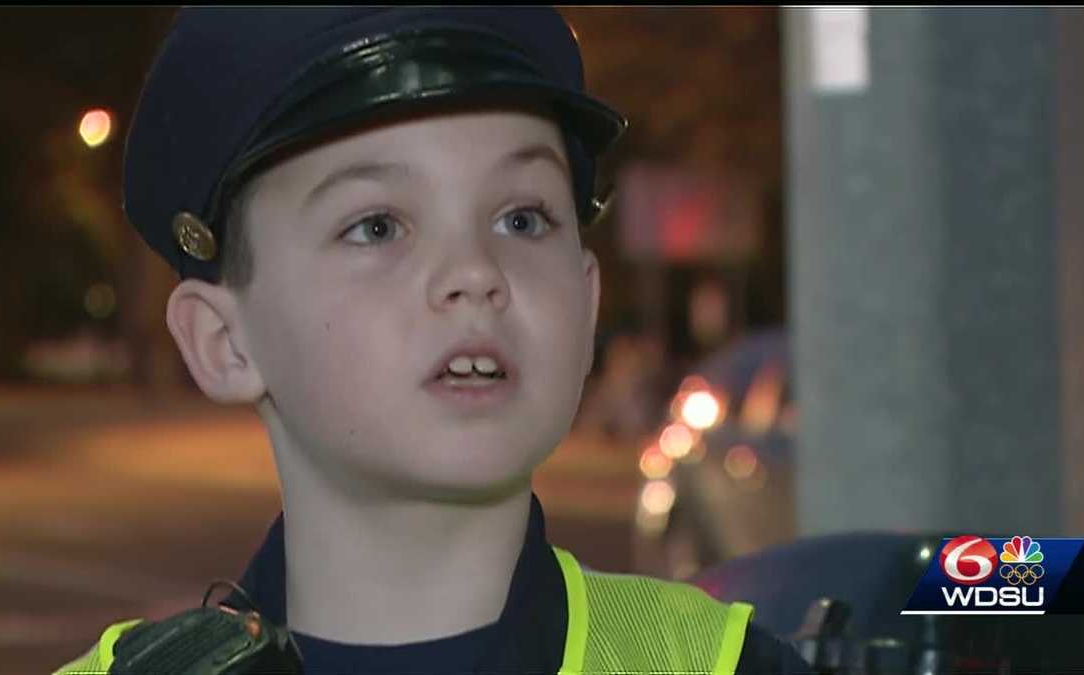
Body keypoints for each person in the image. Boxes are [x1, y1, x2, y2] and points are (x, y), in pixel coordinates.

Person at [53, 7, 811, 674]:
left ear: (586, 300)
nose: (475, 272)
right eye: (376, 225)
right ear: (224, 340)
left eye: (522, 217)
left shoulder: (716, 663)